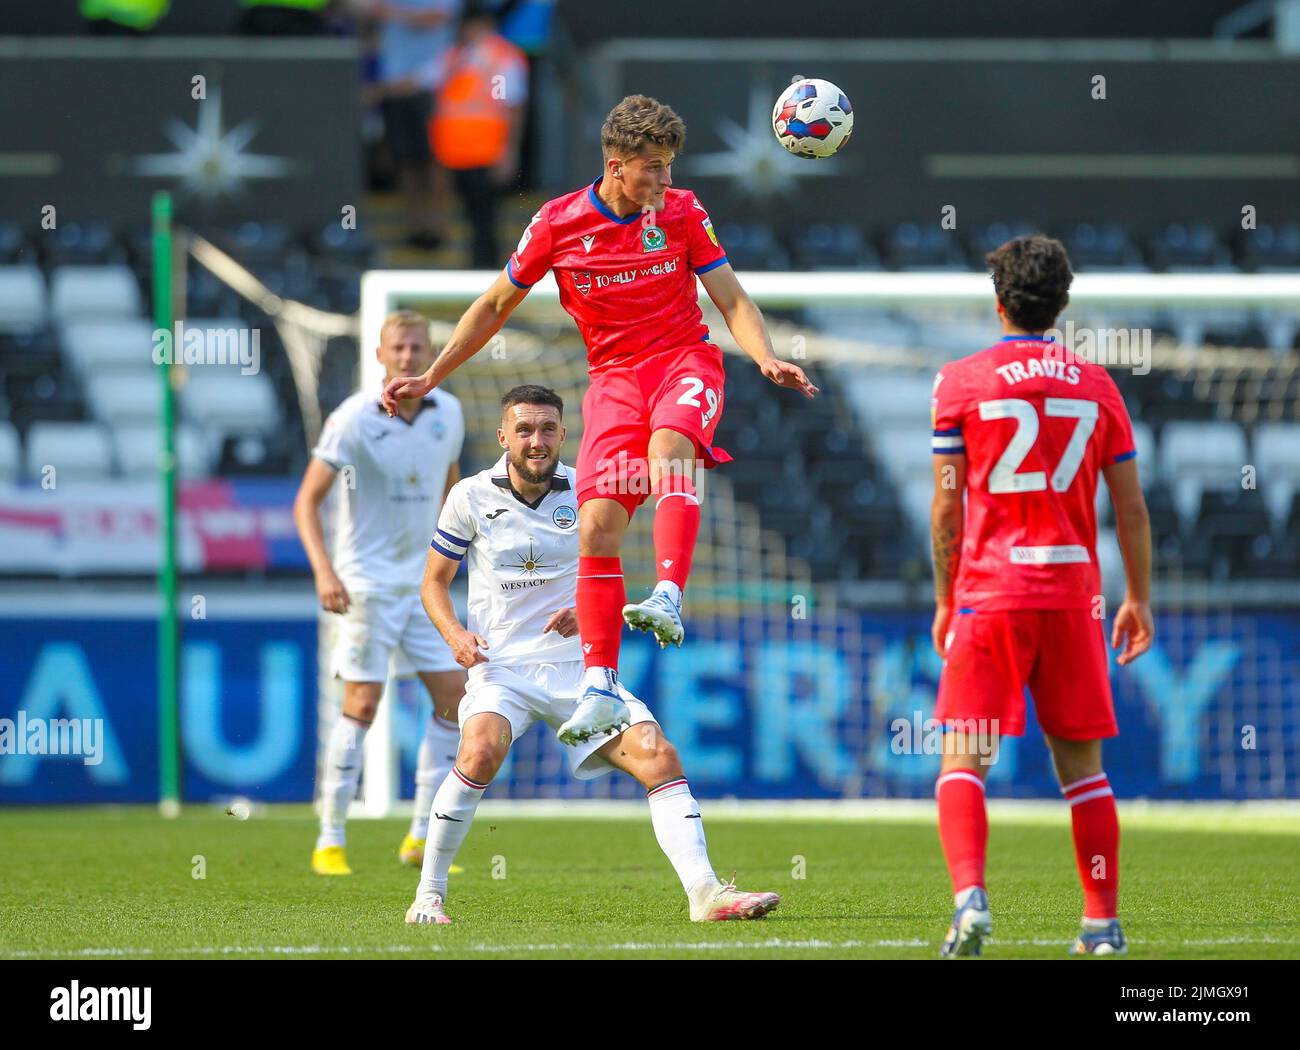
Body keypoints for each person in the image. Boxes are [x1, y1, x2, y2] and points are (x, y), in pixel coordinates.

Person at [382, 94, 817, 748]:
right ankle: (599, 684)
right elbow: (495, 303)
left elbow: (730, 298)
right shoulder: (557, 224)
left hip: (684, 360)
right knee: (595, 526)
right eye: (654, 168)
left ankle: (667, 594)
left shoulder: (683, 212)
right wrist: (432, 376)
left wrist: (764, 356)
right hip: (613, 379)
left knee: (669, 449)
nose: (666, 180)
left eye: (669, 167)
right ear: (617, 166)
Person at [405, 384, 780, 925]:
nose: (536, 441)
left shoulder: (587, 489)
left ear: (563, 434)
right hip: (502, 670)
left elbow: (608, 570)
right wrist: (455, 636)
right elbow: (433, 583)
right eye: (524, 430)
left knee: (659, 755)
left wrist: (589, 612)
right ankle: (428, 896)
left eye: (547, 430)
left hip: (582, 671)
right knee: (480, 750)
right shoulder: (470, 495)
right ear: (503, 436)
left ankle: (705, 894)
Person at [928, 234, 1154, 956]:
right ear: (1062, 304)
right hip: (1073, 597)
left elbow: (946, 507)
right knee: (1084, 773)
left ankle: (970, 900)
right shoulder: (1098, 385)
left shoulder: (961, 381)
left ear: (999, 302)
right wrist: (1138, 596)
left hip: (990, 594)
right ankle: (1102, 925)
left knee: (964, 758)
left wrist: (945, 598)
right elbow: (1131, 508)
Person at [293, 309, 468, 875]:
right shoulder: (352, 418)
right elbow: (306, 501)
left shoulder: (449, 413)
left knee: (454, 699)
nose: (408, 357)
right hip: (366, 583)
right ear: (379, 355)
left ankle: (421, 837)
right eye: (399, 348)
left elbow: (451, 490)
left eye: (417, 348)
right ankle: (330, 838)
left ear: (430, 354)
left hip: (425, 587)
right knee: (362, 705)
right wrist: (325, 572)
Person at [429, 1, 529, 268]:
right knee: (469, 214)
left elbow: (511, 106)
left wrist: (508, 150)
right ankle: (477, 266)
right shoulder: (454, 57)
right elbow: (430, 86)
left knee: (486, 216)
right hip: (455, 152)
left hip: (487, 151)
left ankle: (486, 268)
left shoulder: (502, 58)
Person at [365, 0, 463, 248]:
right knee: (405, 160)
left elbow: (434, 18)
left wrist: (385, 11)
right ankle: (415, 227)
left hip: (432, 86)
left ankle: (438, 227)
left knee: (435, 160)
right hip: (394, 85)